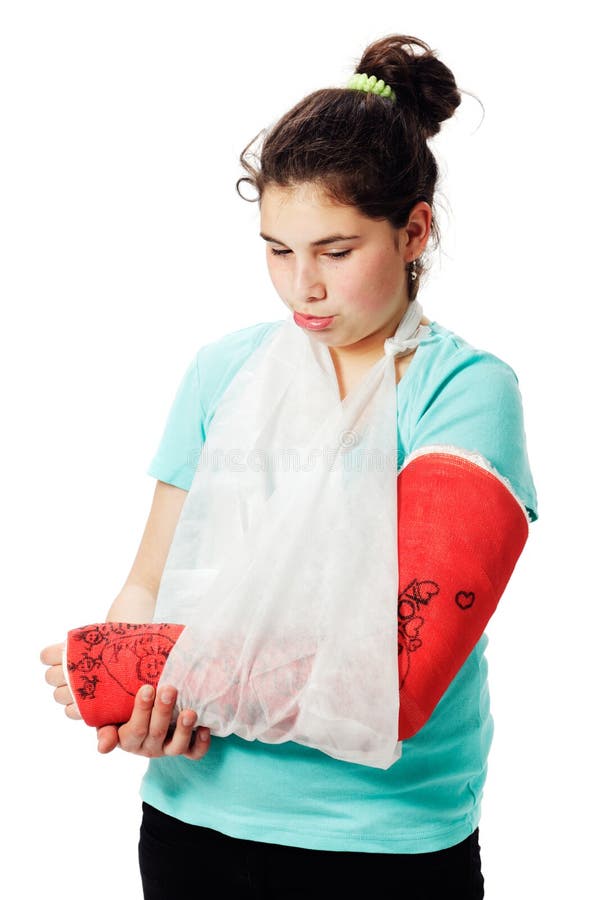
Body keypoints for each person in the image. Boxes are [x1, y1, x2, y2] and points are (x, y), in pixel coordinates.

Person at [40, 33, 538, 899]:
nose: (301, 285)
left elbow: (397, 677)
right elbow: (148, 587)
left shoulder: (465, 393)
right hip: (192, 821)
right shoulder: (222, 371)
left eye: (335, 252)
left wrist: (144, 666)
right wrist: (148, 706)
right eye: (277, 249)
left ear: (414, 229)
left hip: (382, 841)